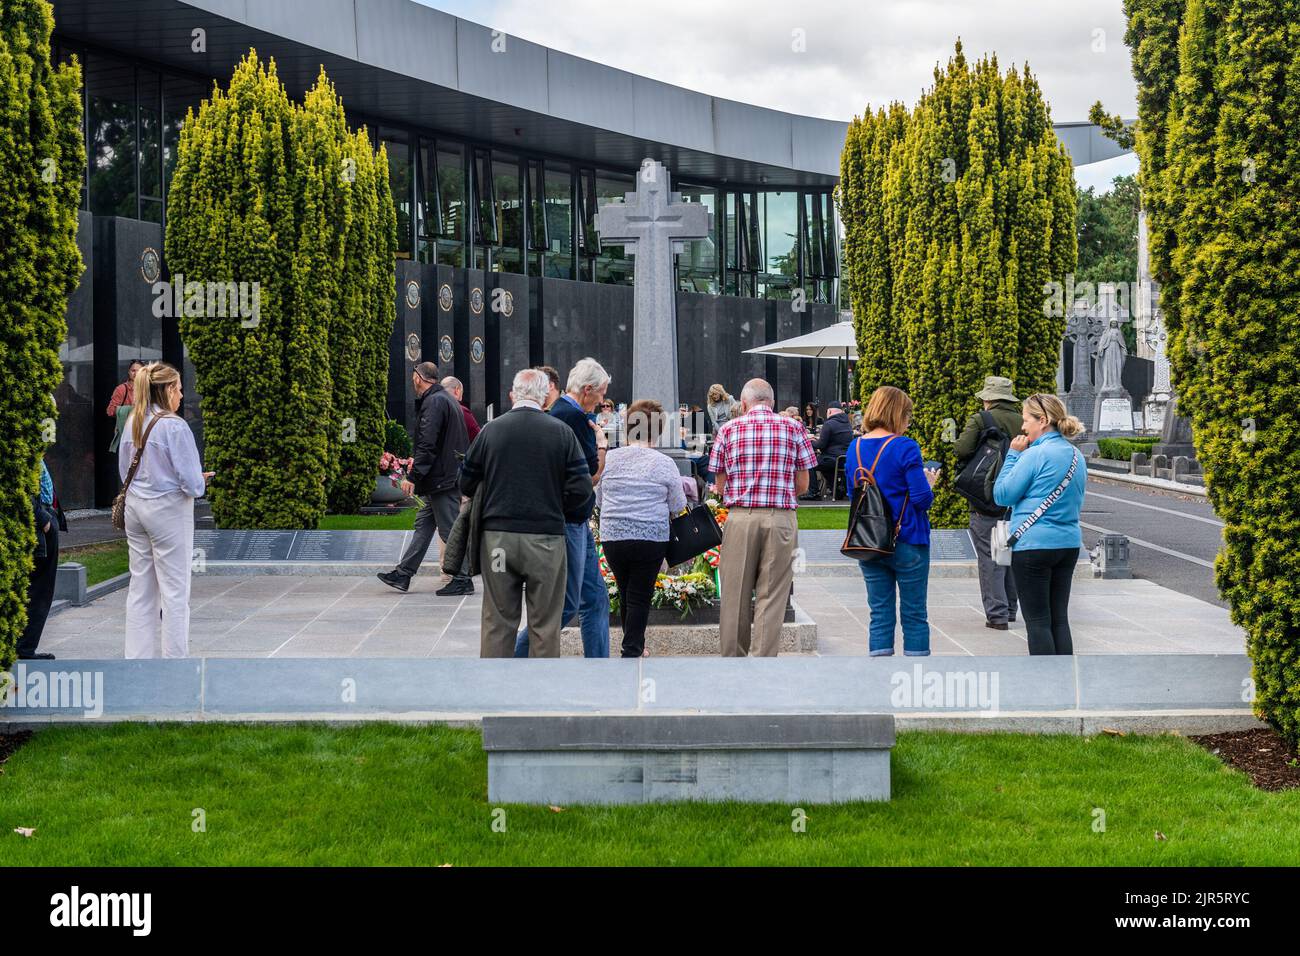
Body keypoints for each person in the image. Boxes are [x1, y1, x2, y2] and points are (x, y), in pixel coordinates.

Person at [462, 368, 592, 657]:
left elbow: (466, 481)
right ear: (546, 397)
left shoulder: (490, 431)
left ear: (513, 395)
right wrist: (561, 511)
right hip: (545, 540)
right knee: (544, 625)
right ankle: (539, 695)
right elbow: (583, 492)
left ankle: (495, 692)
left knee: (497, 620)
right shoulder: (562, 433)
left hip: (498, 542)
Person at [708, 378, 816, 657]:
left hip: (740, 518)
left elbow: (720, 486)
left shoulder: (728, 430)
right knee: (773, 595)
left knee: (735, 594)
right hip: (781, 518)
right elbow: (803, 484)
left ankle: (733, 659)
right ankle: (763, 664)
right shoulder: (795, 427)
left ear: (743, 404)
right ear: (772, 402)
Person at [515, 358, 612, 657]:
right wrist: (602, 443)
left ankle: (599, 663)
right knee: (567, 604)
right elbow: (591, 476)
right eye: (601, 393)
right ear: (587, 390)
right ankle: (514, 657)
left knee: (595, 597)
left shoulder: (558, 412)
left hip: (571, 521)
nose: (602, 400)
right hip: (570, 522)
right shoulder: (575, 419)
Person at [118, 362, 210, 659]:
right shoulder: (174, 426)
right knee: (174, 591)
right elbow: (192, 484)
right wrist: (201, 479)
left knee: (140, 588)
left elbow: (124, 471)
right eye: (180, 389)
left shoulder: (133, 420)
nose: (182, 395)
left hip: (135, 508)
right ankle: (174, 663)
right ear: (168, 389)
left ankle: (137, 660)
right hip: (168, 510)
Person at [993, 393, 1087, 656]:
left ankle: (1048, 688)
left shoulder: (1034, 455)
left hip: (1032, 545)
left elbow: (1002, 495)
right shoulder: (1076, 456)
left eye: (1026, 420)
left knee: (1037, 623)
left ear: (1043, 420)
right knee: (1059, 619)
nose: (1023, 427)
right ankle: (1067, 682)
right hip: (1068, 544)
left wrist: (1012, 455)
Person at [849, 386, 938, 656]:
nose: (908, 421)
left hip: (868, 540)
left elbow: (856, 491)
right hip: (908, 538)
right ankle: (915, 682)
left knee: (879, 614)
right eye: (907, 415)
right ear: (897, 413)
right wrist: (930, 482)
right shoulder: (905, 446)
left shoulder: (855, 446)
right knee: (914, 615)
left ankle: (880, 681)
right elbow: (922, 499)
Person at [597, 400, 688, 658]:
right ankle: (632, 649)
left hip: (613, 534)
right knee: (639, 594)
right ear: (657, 430)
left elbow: (599, 499)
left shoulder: (610, 459)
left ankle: (633, 644)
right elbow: (678, 504)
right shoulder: (664, 463)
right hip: (650, 536)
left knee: (627, 591)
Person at [378, 362, 472, 596]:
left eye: (413, 377)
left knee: (449, 530)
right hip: (443, 477)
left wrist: (413, 475)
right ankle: (404, 574)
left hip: (442, 479)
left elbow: (427, 443)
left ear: (419, 377)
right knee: (423, 525)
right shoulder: (444, 399)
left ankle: (463, 578)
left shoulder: (435, 402)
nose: (412, 381)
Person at [953, 375, 1024, 630]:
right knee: (1010, 552)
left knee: (989, 554)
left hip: (986, 495)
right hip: (1017, 497)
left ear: (988, 399)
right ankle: (1011, 608)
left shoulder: (981, 419)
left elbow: (961, 450)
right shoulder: (1023, 421)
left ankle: (997, 614)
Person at [20, 460, 60, 661]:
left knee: (36, 589)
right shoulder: (20, 440)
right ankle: (25, 649)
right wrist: (43, 519)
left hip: (42, 518)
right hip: (39, 524)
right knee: (39, 590)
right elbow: (18, 485)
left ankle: (24, 646)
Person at [806, 400, 854, 500]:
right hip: (844, 459)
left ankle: (813, 492)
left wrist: (810, 442)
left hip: (831, 458)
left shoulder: (829, 424)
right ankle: (837, 490)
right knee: (825, 467)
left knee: (810, 462)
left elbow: (821, 445)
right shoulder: (847, 423)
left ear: (830, 412)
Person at [107, 359, 144, 453]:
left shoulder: (147, 390)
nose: (135, 374)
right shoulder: (121, 389)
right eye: (133, 370)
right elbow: (110, 411)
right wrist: (132, 410)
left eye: (139, 371)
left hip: (144, 432)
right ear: (129, 372)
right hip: (127, 433)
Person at [441, 375, 480, 443]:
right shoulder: (462, 411)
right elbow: (478, 438)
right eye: (462, 392)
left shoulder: (433, 410)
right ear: (457, 390)